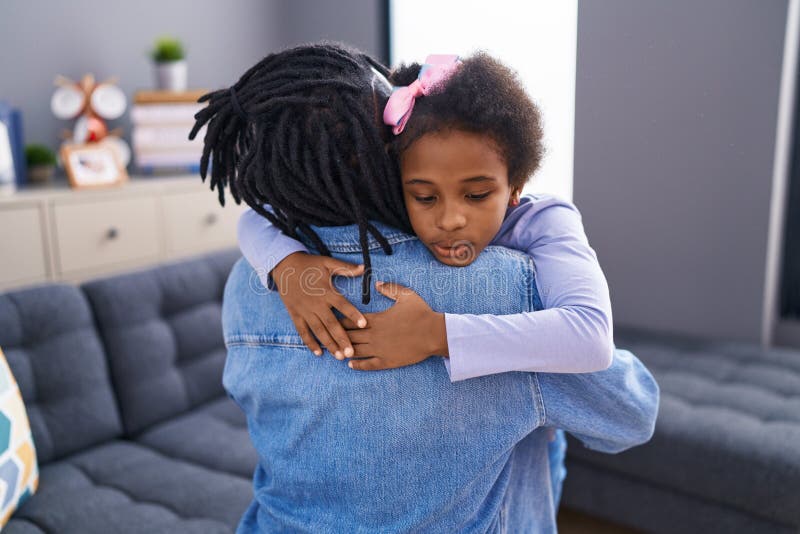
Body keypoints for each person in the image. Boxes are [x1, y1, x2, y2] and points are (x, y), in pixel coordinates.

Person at [192, 43, 659, 532]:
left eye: (476, 194)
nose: (451, 218)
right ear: (388, 161)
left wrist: (290, 267)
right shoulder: (510, 291)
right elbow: (630, 414)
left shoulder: (246, 283)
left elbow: (257, 220)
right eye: (424, 194)